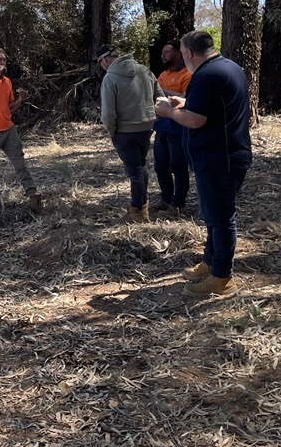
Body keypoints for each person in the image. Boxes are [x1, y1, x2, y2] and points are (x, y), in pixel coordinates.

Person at [155, 30, 252, 296]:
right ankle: (210, 263)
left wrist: (168, 112)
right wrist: (185, 102)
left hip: (219, 157)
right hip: (227, 154)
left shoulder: (206, 75)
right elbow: (212, 107)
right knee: (213, 215)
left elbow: (196, 120)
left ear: (187, 53)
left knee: (220, 218)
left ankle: (222, 277)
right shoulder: (228, 67)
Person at [0, 48, 44, 218]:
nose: (3, 63)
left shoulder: (7, 82)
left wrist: (20, 99)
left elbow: (9, 107)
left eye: (4, 60)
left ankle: (34, 199)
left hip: (8, 130)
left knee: (21, 164)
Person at [96, 44, 162, 222]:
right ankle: (144, 208)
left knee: (134, 171)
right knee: (141, 167)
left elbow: (108, 113)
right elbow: (160, 97)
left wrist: (111, 131)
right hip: (146, 128)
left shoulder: (110, 78)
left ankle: (136, 211)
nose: (101, 66)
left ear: (104, 60)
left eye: (100, 62)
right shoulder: (145, 71)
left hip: (124, 131)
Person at [153, 40, 192, 215]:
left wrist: (163, 92)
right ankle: (166, 199)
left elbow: (187, 98)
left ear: (178, 53)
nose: (163, 55)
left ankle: (179, 204)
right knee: (160, 166)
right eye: (162, 52)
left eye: (167, 51)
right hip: (161, 126)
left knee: (178, 165)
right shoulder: (163, 74)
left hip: (178, 127)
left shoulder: (187, 75)